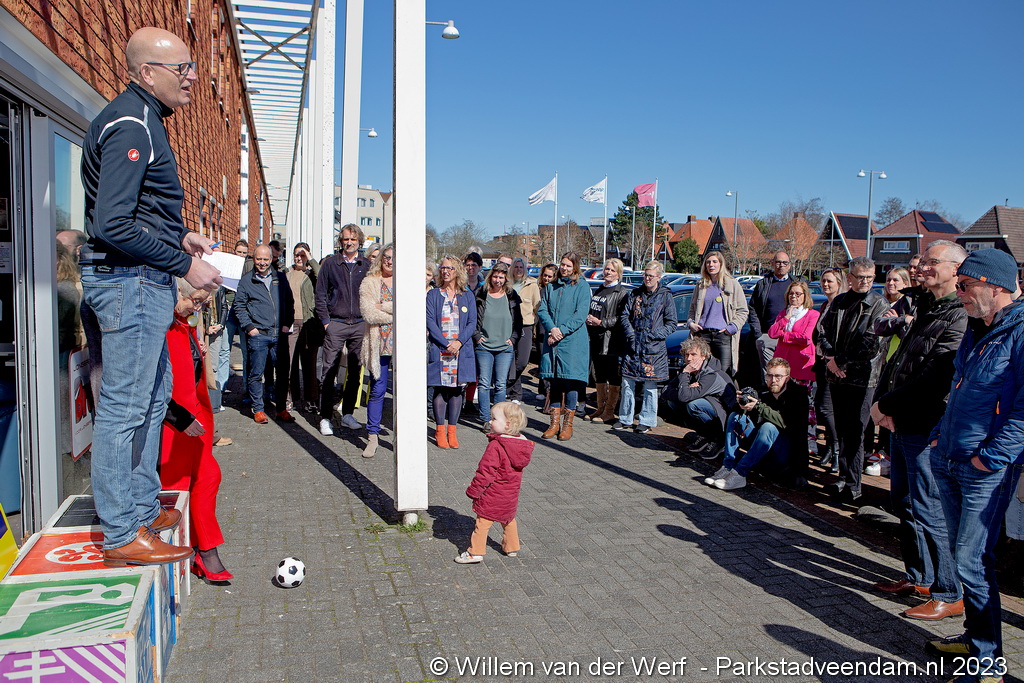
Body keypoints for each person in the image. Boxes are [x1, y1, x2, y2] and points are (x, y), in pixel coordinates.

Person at [80, 27, 221, 567]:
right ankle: (120, 533)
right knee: (126, 409)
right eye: (180, 67)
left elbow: (135, 212)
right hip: (128, 284)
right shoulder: (132, 124)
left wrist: (179, 236)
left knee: (154, 399)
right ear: (146, 74)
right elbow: (112, 222)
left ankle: (139, 508)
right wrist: (185, 263)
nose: (190, 77)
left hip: (141, 281)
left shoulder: (144, 121)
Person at [924, 249, 1024, 678]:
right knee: (965, 557)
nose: (959, 292)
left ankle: (989, 663)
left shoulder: (1020, 334)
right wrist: (939, 434)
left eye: (967, 285)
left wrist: (991, 459)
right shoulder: (978, 327)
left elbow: (1023, 412)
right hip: (951, 457)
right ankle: (975, 639)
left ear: (996, 286)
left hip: (984, 469)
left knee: (971, 559)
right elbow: (960, 386)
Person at [870, 241, 967, 622]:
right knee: (906, 505)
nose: (922, 267)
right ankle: (921, 578)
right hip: (902, 420)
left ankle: (949, 591)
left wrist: (888, 405)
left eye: (931, 262)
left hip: (925, 424)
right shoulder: (925, 306)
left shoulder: (959, 316)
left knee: (930, 509)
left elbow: (936, 378)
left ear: (956, 269)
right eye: (922, 261)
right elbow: (899, 360)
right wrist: (885, 406)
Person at [160, 280, 231, 583]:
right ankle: (195, 551)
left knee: (207, 476)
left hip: (195, 417)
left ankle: (203, 549)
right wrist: (177, 416)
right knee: (177, 486)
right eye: (195, 300)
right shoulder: (161, 325)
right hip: (174, 423)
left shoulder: (183, 322)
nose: (198, 307)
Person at [816, 257, 890, 504]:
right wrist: (831, 357)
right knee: (842, 429)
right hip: (837, 375)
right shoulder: (839, 301)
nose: (866, 282)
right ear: (850, 277)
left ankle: (854, 485)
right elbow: (822, 331)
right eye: (860, 277)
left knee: (856, 432)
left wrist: (841, 361)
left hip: (862, 378)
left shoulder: (878, 303)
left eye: (870, 277)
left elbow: (871, 344)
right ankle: (843, 478)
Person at [707, 358, 809, 491]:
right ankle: (728, 467)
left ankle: (740, 473)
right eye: (770, 375)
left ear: (787, 378)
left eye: (778, 376)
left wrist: (758, 406)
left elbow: (785, 423)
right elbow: (750, 420)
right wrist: (742, 405)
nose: (773, 380)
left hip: (787, 453)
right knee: (735, 417)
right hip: (764, 448)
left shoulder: (798, 394)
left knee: (769, 427)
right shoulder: (763, 391)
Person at [455, 402, 534, 564]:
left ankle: (475, 552)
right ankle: (511, 547)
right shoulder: (521, 445)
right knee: (508, 519)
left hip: (493, 493)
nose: (490, 422)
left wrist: (474, 490)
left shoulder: (496, 445)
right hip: (510, 494)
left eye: (494, 418)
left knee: (482, 522)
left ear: (507, 424)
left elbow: (485, 472)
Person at [315, 224, 370, 436]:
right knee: (328, 371)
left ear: (359, 242)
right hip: (336, 323)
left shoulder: (366, 265)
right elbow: (320, 294)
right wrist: (326, 321)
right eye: (346, 239)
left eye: (353, 240)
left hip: (358, 323)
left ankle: (347, 414)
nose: (349, 243)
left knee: (355, 371)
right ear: (341, 241)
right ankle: (326, 417)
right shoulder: (330, 264)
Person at [613, 261, 678, 435]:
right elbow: (625, 316)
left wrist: (654, 334)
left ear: (659, 277)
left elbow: (671, 323)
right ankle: (625, 418)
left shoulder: (665, 296)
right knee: (627, 382)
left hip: (653, 349)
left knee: (650, 387)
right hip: (633, 346)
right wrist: (631, 334)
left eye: (651, 275)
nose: (647, 278)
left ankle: (647, 420)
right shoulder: (635, 293)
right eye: (645, 274)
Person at [233, 244, 295, 424]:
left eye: (265, 259)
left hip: (279, 334)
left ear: (271, 259)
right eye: (258, 259)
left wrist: (287, 323)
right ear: (253, 258)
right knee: (256, 373)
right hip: (259, 334)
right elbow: (239, 305)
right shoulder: (246, 280)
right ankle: (258, 409)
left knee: (283, 374)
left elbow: (289, 301)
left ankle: (281, 409)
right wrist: (249, 327)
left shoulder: (280, 278)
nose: (262, 263)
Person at [537, 252, 592, 440]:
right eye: (563, 264)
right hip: (553, 341)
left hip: (572, 342)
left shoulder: (582, 286)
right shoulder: (551, 286)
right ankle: (554, 423)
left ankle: (568, 425)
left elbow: (580, 314)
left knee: (570, 382)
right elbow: (542, 309)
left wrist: (561, 331)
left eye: (569, 266)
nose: (565, 268)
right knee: (554, 382)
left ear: (575, 267)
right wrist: (552, 329)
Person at [427, 256, 477, 448]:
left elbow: (472, 323)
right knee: (440, 389)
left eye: (450, 268)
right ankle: (440, 430)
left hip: (460, 350)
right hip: (441, 349)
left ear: (458, 271)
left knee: (457, 390)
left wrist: (458, 342)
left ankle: (452, 431)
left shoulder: (467, 295)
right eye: (443, 268)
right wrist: (445, 343)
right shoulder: (433, 294)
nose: (445, 271)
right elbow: (430, 321)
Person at [660, 337, 733, 459]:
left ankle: (717, 439)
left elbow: (684, 397)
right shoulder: (691, 370)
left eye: (694, 354)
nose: (689, 359)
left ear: (704, 356)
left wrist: (685, 376)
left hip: (724, 415)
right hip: (710, 405)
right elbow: (665, 391)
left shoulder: (711, 373)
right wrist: (687, 386)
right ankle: (703, 435)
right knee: (673, 402)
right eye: (686, 355)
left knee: (694, 404)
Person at [473, 263, 523, 430]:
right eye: (495, 276)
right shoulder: (481, 293)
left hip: (505, 347)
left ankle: (499, 418)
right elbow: (472, 318)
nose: (498, 280)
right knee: (484, 384)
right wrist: (477, 336)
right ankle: (486, 419)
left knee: (501, 384)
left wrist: (513, 338)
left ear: (506, 278)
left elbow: (519, 321)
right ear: (490, 277)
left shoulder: (511, 295)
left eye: (501, 277)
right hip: (484, 347)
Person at [687, 251, 748, 376]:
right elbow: (692, 309)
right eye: (708, 262)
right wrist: (691, 323)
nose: (711, 265)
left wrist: (731, 328)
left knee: (723, 373)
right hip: (702, 336)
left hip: (723, 336)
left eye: (715, 262)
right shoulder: (701, 285)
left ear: (721, 264)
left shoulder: (732, 284)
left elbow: (743, 311)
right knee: (700, 371)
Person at [358, 244, 394, 458]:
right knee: (378, 389)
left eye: (393, 258)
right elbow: (369, 313)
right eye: (387, 257)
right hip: (378, 343)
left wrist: (385, 306)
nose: (390, 261)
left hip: (400, 345)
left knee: (403, 392)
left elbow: (410, 308)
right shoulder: (369, 282)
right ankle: (372, 436)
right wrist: (395, 313)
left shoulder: (404, 283)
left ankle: (402, 436)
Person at [585, 259, 629, 423]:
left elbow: (621, 318)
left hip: (611, 341)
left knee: (612, 376)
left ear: (618, 273)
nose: (608, 272)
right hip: (595, 338)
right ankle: (600, 408)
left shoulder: (621, 293)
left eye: (612, 270)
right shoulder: (600, 289)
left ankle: (610, 411)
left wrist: (601, 322)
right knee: (599, 375)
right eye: (607, 269)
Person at [814, 268, 847, 472]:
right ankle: (829, 446)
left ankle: (837, 450)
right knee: (820, 406)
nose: (826, 285)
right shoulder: (826, 304)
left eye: (830, 282)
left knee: (828, 408)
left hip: (834, 363)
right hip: (820, 362)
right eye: (824, 281)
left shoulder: (842, 305)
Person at [747, 251, 797, 372]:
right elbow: (752, 308)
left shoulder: (796, 284)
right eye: (778, 262)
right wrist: (758, 334)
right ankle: (769, 390)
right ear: (772, 264)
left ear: (789, 265)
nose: (781, 265)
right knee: (771, 372)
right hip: (767, 335)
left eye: (785, 263)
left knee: (789, 371)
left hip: (790, 336)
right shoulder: (763, 284)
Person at [286, 243, 320, 413]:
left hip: (308, 324)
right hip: (291, 323)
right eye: (296, 255)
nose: (299, 258)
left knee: (309, 364)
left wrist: (310, 258)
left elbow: (322, 275)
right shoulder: (287, 273)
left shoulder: (312, 274)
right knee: (289, 362)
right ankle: (289, 398)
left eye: (302, 255)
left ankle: (311, 399)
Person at [767, 280, 819, 384]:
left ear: (805, 296)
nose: (794, 296)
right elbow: (772, 333)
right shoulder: (783, 314)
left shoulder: (812, 315)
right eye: (791, 293)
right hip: (782, 363)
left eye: (798, 294)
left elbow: (806, 339)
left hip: (801, 363)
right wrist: (786, 318)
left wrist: (783, 335)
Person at [508, 257, 541, 405]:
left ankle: (507, 384)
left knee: (521, 361)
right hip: (508, 326)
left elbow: (537, 306)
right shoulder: (507, 284)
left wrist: (532, 322)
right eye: (516, 267)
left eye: (521, 267)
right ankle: (516, 394)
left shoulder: (532, 284)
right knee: (510, 360)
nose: (518, 270)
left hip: (526, 326)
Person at [536, 263, 558, 414]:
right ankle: (543, 390)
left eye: (550, 276)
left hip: (552, 331)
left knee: (551, 364)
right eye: (545, 275)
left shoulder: (555, 290)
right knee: (542, 362)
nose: (547, 279)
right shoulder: (540, 290)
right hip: (541, 330)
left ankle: (549, 397)